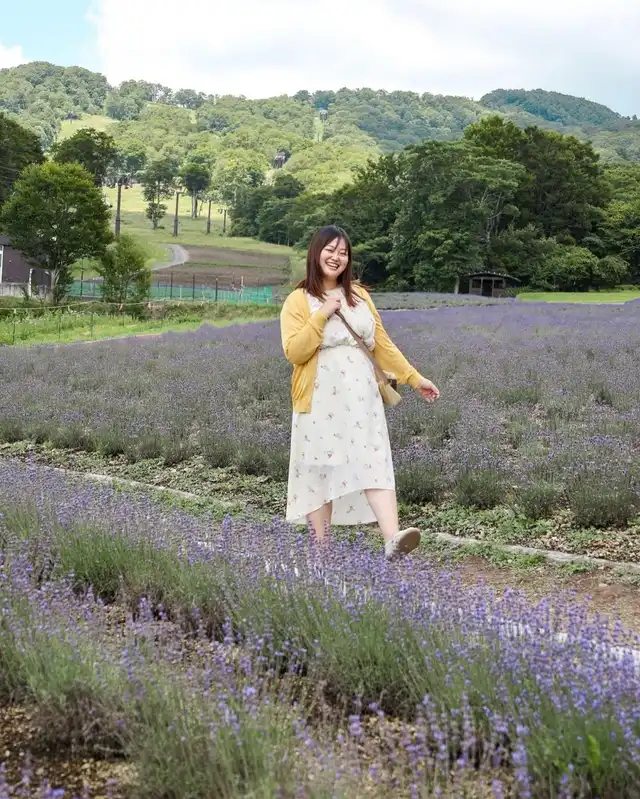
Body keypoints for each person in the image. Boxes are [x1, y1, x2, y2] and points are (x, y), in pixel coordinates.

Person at [280, 225, 440, 559]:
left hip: (362, 397)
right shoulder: (298, 300)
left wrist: (415, 378)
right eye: (330, 250)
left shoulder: (360, 296)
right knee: (319, 468)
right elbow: (295, 352)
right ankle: (321, 552)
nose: (336, 257)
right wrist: (322, 314)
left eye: (343, 252)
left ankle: (392, 539)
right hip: (318, 400)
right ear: (316, 253)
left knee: (373, 458)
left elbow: (382, 345)